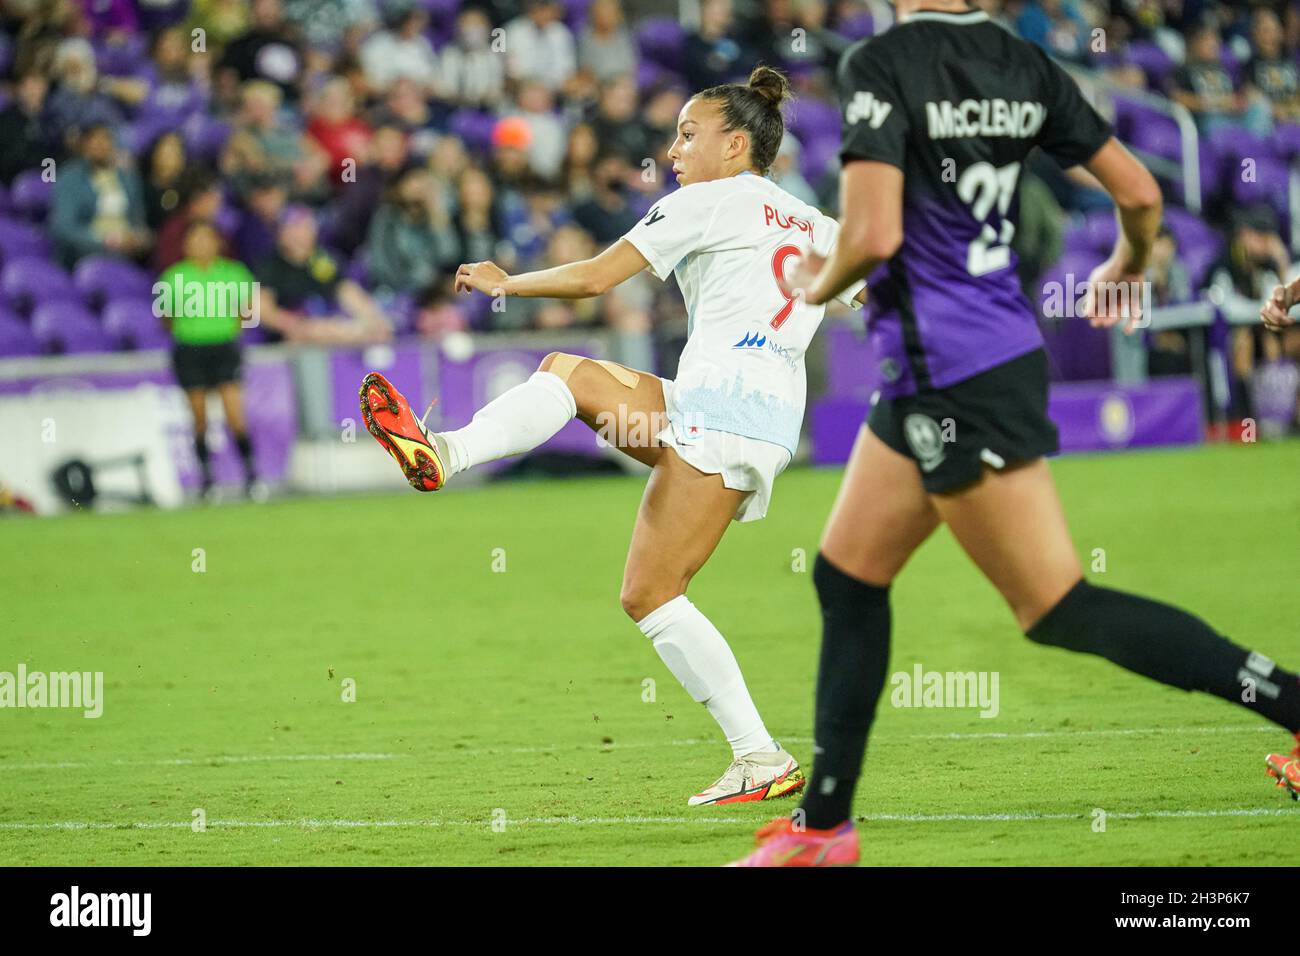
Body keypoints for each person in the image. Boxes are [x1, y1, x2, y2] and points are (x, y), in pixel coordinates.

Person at [731, 0, 1300, 866]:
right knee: (848, 577)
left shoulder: (882, 64)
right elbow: (1140, 191)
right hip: (962, 361)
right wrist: (1129, 263)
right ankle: (823, 828)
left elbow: (876, 233)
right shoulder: (1024, 64)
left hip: (956, 375)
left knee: (1057, 606)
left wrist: (815, 282)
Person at [359, 66, 866, 807]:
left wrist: (509, 283)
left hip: (718, 414)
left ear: (735, 144)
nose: (672, 149)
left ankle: (759, 756)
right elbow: (878, 285)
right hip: (751, 417)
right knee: (570, 374)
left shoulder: (707, 201)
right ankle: (446, 452)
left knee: (652, 593)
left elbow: (599, 278)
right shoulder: (814, 222)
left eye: (688, 134)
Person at [158, 220, 264, 501]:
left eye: (206, 239)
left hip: (224, 348)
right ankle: (207, 479)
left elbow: (246, 311)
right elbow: (166, 318)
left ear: (217, 243)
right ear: (186, 245)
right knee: (199, 416)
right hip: (190, 350)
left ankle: (252, 475)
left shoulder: (234, 274)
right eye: (195, 239)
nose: (201, 245)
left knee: (235, 414)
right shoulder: (174, 277)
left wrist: (225, 329)